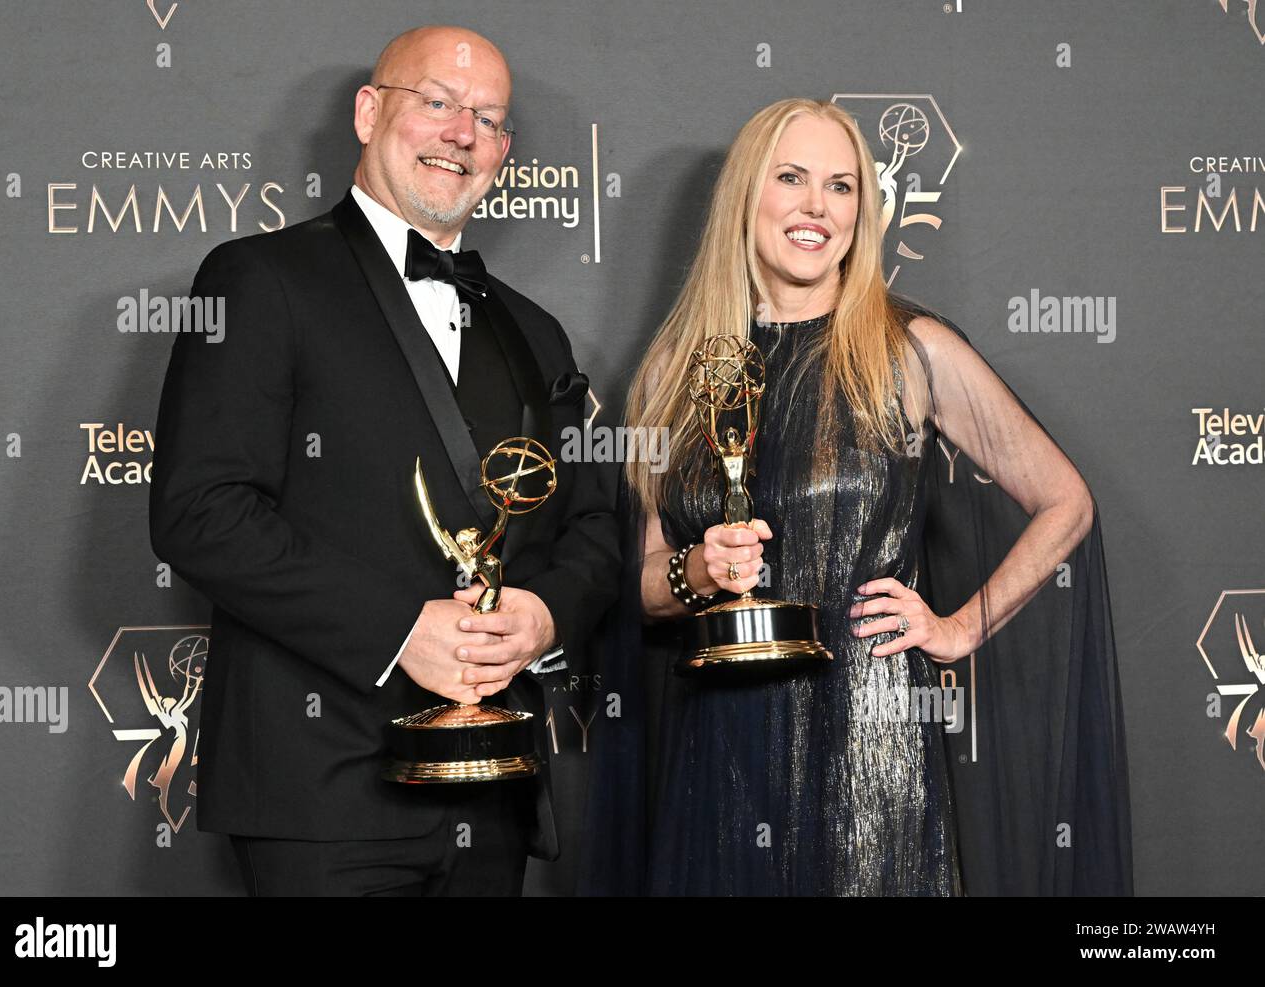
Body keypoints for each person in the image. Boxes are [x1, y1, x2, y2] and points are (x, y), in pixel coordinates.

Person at [581, 98, 1132, 896]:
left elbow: (1065, 502)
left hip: (873, 750)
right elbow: (638, 585)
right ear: (746, 194)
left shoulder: (908, 351)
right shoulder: (676, 369)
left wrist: (957, 627)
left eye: (841, 187)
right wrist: (698, 570)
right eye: (792, 178)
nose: (816, 207)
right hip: (724, 749)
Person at [149, 25, 618, 896]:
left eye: (486, 118)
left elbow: (592, 527)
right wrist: (404, 627)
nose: (461, 132)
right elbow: (200, 510)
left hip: (494, 789)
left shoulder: (534, 329)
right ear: (369, 113)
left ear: (504, 150)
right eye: (436, 102)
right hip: (319, 796)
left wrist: (545, 616)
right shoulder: (259, 278)